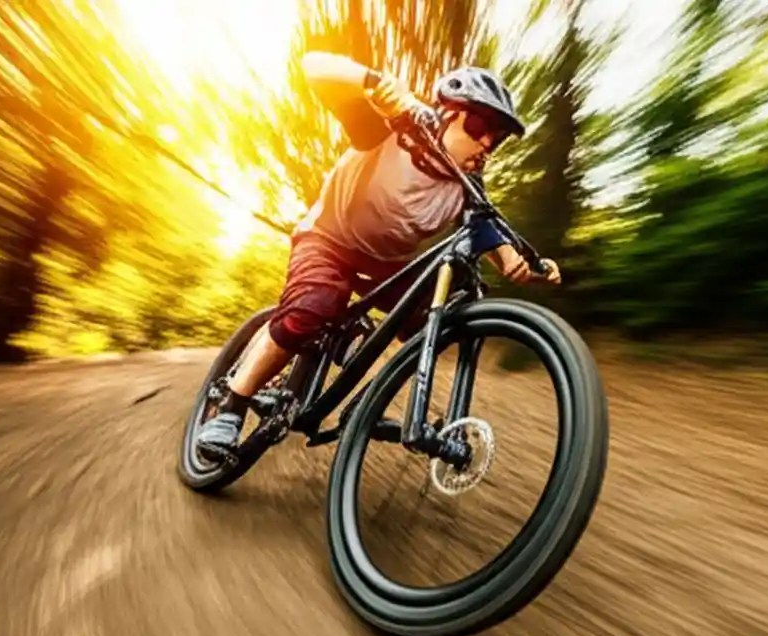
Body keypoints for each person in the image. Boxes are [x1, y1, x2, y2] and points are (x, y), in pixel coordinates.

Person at [195, 52, 560, 461]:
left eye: (498, 138)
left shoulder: (466, 186)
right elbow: (314, 67)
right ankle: (232, 405)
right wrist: (376, 82)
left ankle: (365, 405)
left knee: (435, 319)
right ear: (448, 112)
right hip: (328, 240)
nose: (488, 143)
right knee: (314, 306)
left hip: (385, 266)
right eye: (480, 126)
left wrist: (518, 264)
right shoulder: (388, 130)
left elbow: (484, 231)